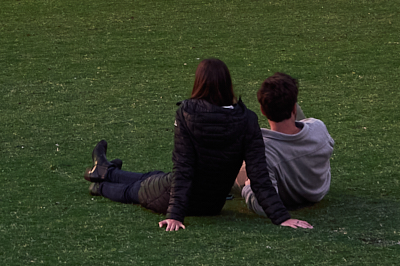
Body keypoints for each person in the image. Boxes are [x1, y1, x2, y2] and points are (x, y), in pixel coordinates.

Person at [86, 58, 312, 232]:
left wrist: (175, 214)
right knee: (153, 177)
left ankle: (99, 185)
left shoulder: (187, 113)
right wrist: (282, 217)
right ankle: (104, 169)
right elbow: (259, 174)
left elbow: (183, 168)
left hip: (182, 198)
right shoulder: (247, 119)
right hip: (212, 204)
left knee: (134, 191)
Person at [237, 71, 334, 212]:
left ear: (262, 111)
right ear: (294, 108)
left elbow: (262, 204)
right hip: (317, 191)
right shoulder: (318, 128)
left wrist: (249, 185)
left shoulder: (263, 152)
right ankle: (286, 101)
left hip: (258, 170)